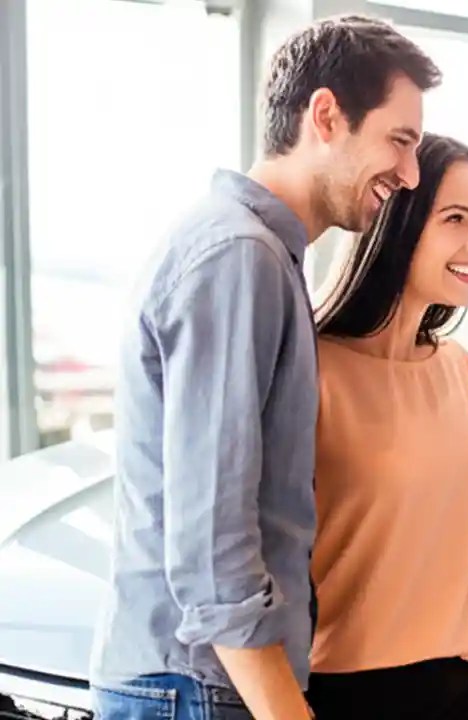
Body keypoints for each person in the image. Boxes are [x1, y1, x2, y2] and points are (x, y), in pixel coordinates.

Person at [90, 15, 440, 720]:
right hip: (196, 687)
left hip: (196, 683)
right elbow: (215, 544)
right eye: (399, 142)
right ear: (325, 116)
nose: (408, 176)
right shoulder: (238, 258)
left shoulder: (256, 253)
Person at [303, 134, 468, 719]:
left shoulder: (456, 368)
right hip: (348, 694)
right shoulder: (312, 369)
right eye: (455, 219)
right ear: (397, 225)